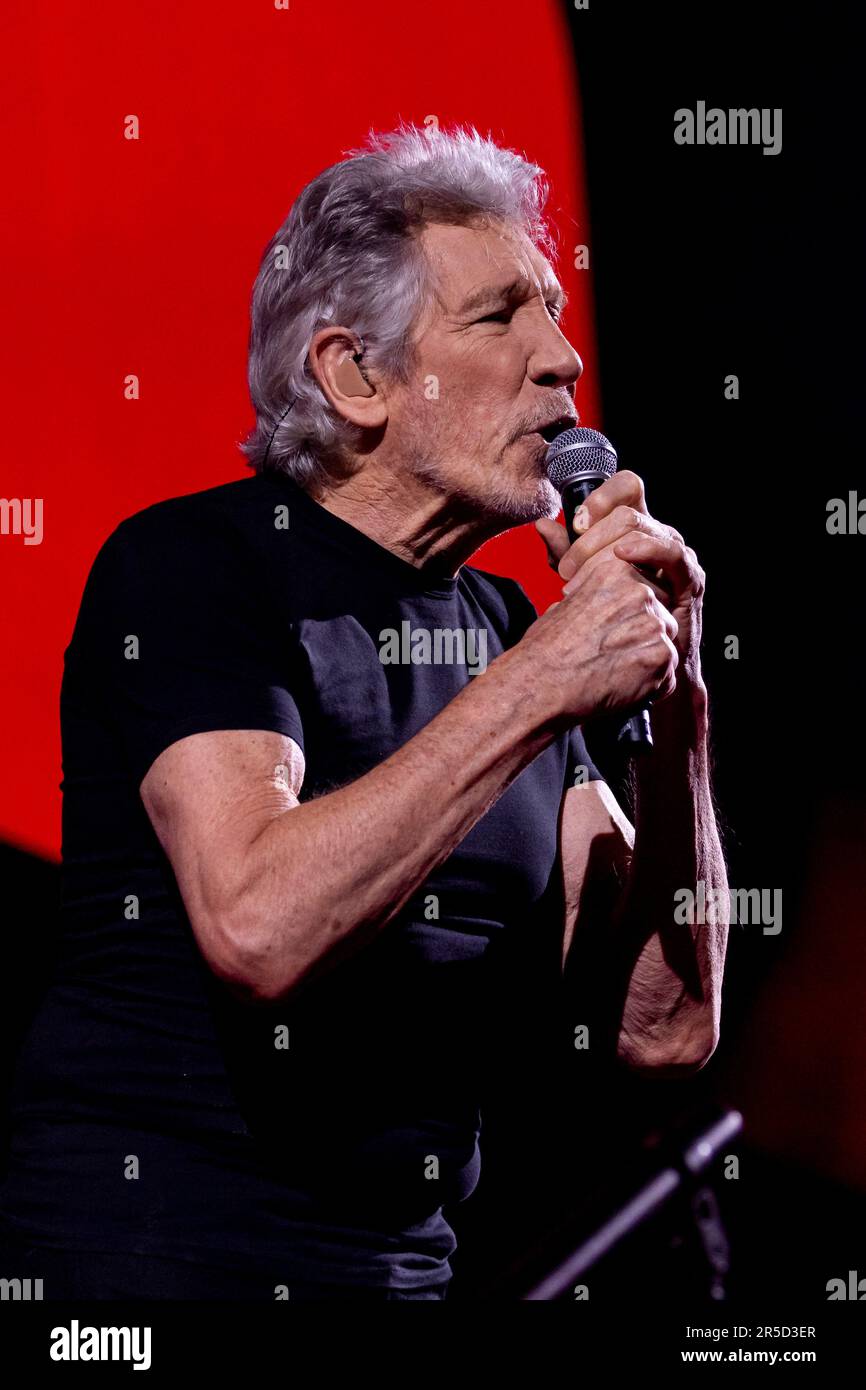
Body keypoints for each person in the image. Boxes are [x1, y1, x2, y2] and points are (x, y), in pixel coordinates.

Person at [0, 123, 728, 1300]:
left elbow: (662, 1029)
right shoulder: (196, 567)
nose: (561, 360)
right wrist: (544, 679)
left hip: (399, 1278)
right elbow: (257, 929)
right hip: (153, 1269)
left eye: (551, 309)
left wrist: (678, 688)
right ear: (354, 375)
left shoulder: (511, 631)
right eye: (499, 317)